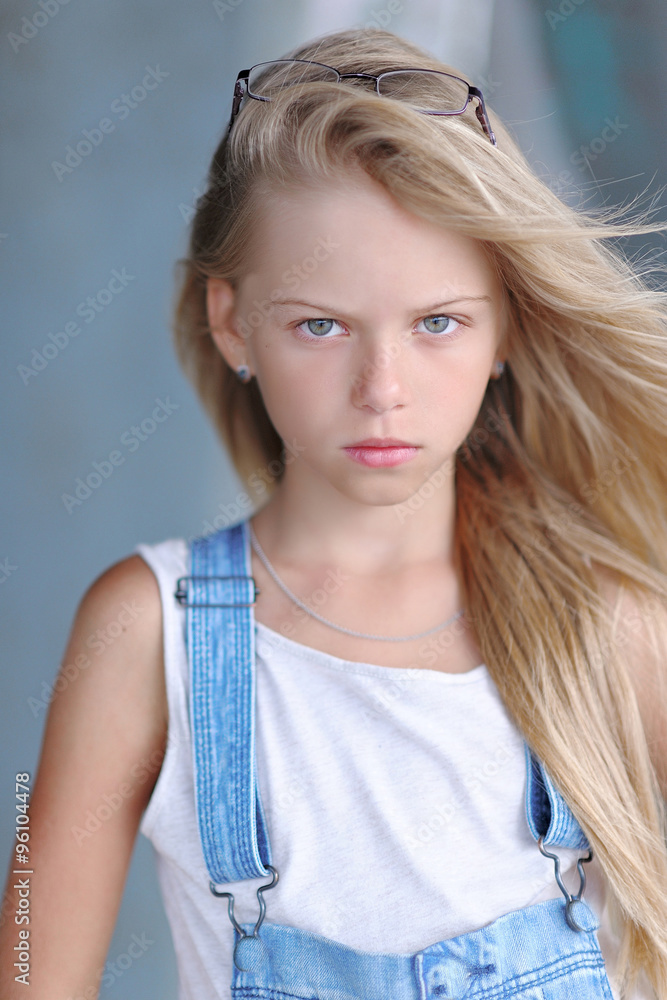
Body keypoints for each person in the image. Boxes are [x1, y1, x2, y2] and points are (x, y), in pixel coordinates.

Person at [2, 24, 667, 1000]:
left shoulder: (607, 628)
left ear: (503, 329)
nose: (381, 387)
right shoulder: (148, 632)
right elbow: (30, 969)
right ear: (233, 322)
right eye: (321, 324)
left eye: (436, 322)